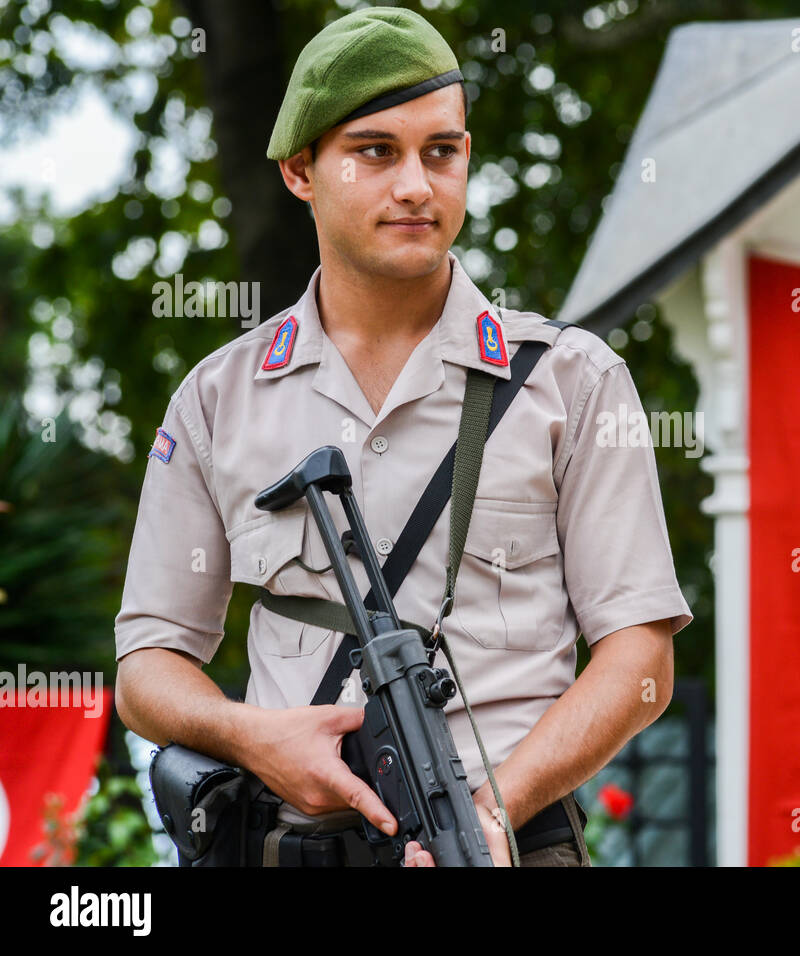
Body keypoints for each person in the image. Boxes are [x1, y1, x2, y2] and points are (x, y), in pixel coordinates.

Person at [114, 6, 692, 868]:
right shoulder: (217, 400)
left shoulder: (572, 381)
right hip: (293, 848)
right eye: (376, 152)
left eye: (443, 151)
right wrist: (252, 737)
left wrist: (495, 814)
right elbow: (147, 665)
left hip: (509, 849)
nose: (418, 184)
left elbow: (640, 657)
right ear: (300, 170)